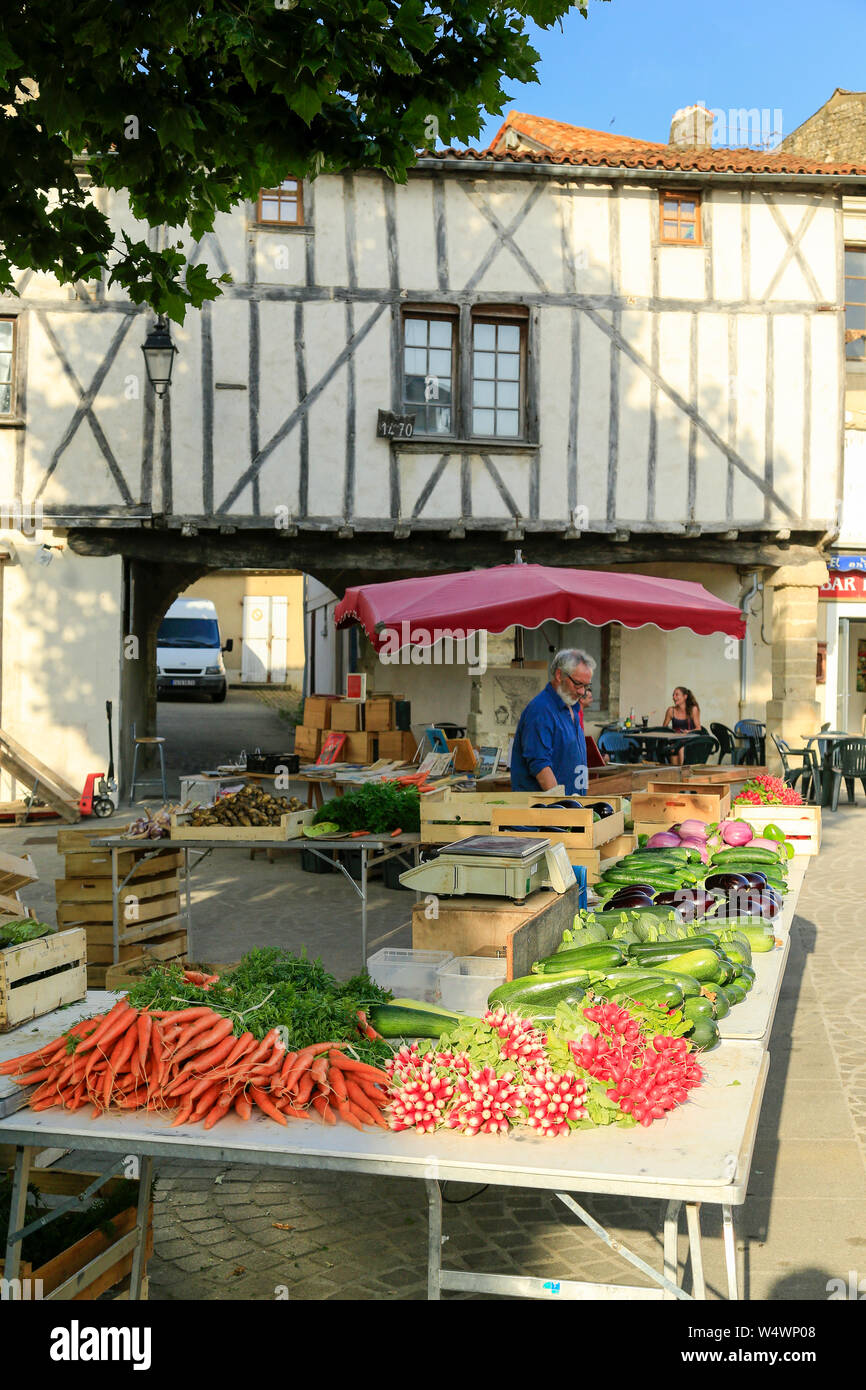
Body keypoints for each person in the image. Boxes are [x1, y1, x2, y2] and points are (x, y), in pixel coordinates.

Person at [510, 649, 594, 795]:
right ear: (559, 675)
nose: (582, 692)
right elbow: (540, 766)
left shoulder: (572, 707)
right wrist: (562, 805)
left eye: (586, 686)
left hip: (571, 807)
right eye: (578, 684)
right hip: (549, 810)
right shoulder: (541, 710)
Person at [663, 686, 701, 766]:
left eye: (677, 695)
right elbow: (664, 728)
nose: (674, 697)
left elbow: (698, 728)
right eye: (673, 695)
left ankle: (683, 772)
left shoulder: (693, 709)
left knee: (681, 748)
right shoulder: (671, 710)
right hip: (675, 740)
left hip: (689, 741)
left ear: (685, 697)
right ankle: (675, 773)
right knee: (674, 748)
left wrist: (688, 732)